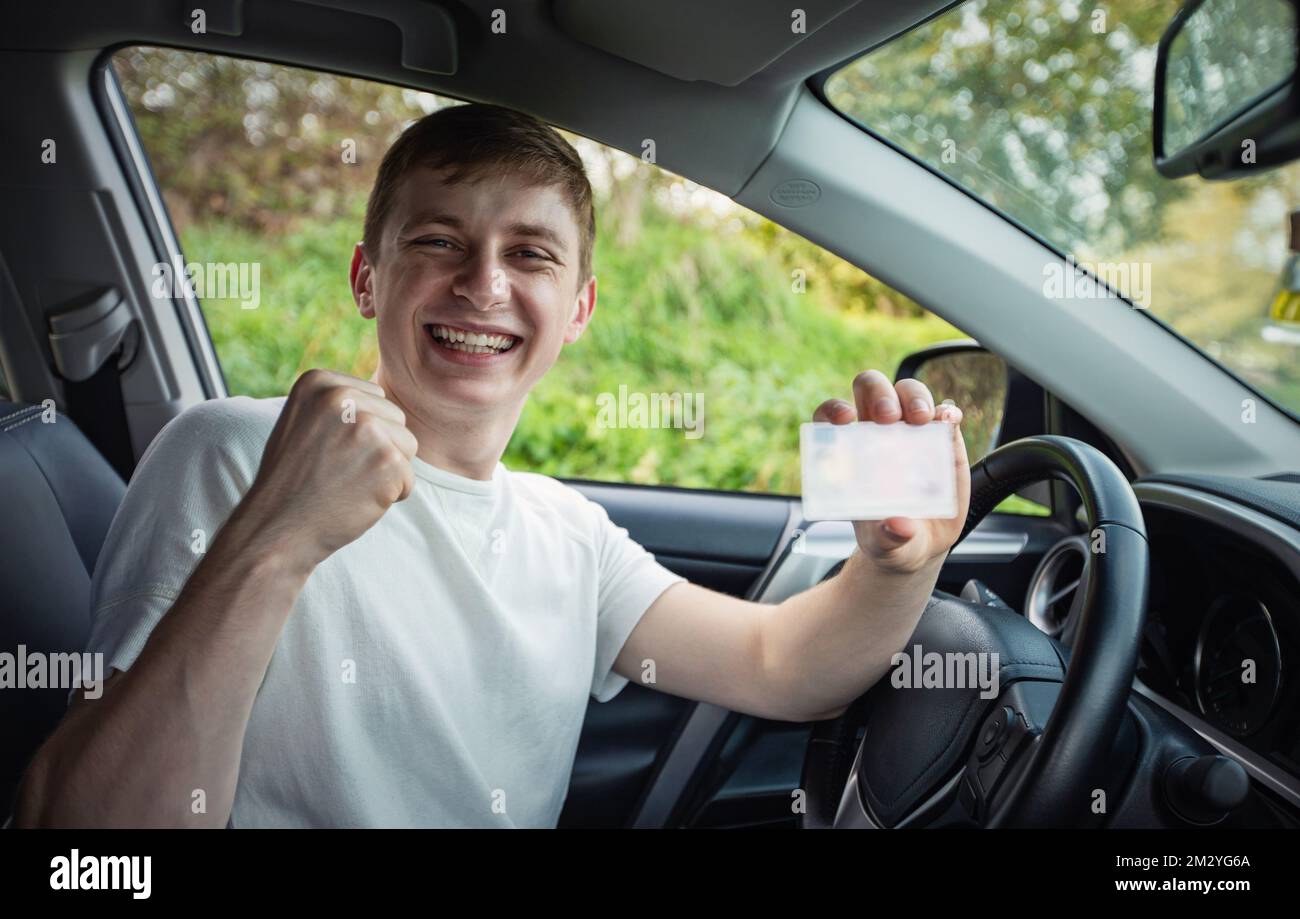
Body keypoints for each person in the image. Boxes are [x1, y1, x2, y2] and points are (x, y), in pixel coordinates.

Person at [14, 103, 969, 828]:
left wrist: (898, 564)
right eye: (439, 240)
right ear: (366, 278)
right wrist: (278, 538)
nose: (483, 283)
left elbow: (781, 665)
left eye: (531, 253)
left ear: (581, 309)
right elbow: (91, 849)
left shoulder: (568, 535)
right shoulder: (231, 450)